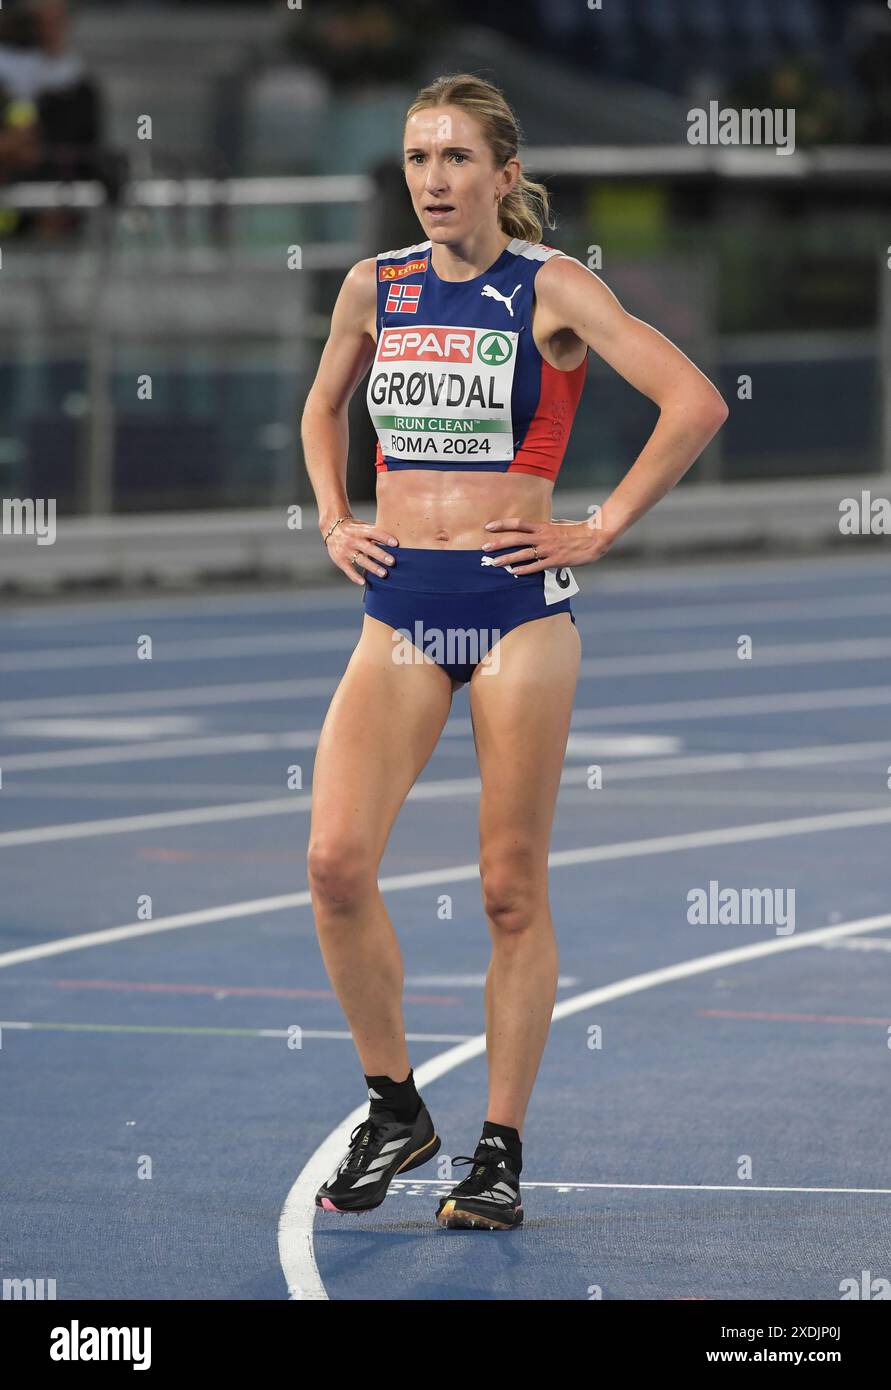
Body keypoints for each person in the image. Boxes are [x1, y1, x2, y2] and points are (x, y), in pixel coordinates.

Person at [301, 72, 728, 1230]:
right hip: (399, 611)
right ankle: (396, 1104)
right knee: (337, 865)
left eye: (454, 160)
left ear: (503, 174)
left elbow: (692, 401)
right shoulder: (372, 287)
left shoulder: (552, 288)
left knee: (505, 888)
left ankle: (498, 1149)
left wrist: (600, 525)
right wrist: (336, 517)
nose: (433, 181)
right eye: (417, 160)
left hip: (514, 614)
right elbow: (321, 407)